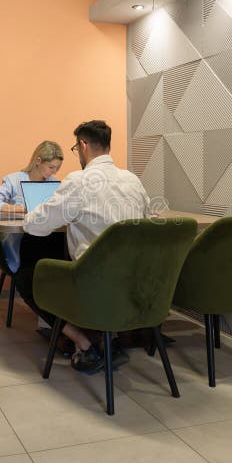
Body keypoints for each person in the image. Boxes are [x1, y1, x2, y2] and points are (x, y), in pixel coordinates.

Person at [20, 120, 150, 374]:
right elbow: (147, 219)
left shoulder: (79, 181)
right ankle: (112, 339)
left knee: (27, 276)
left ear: (83, 145)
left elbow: (37, 225)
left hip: (94, 284)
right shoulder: (133, 181)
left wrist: (29, 215)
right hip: (136, 283)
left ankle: (85, 343)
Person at [0, 141, 64, 273]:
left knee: (63, 241)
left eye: (57, 168)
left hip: (47, 238)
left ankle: (53, 284)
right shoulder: (13, 180)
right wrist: (24, 209)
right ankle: (36, 285)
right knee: (34, 239)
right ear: (38, 160)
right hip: (22, 242)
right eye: (51, 167)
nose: (54, 172)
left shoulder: (54, 183)